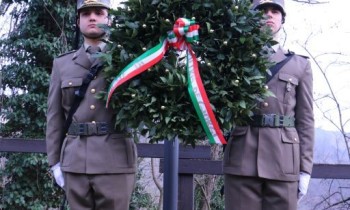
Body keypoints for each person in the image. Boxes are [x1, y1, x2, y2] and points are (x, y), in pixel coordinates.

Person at [46, 0, 137, 209]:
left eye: (98, 12)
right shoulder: (62, 65)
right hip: (75, 162)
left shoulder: (127, 60)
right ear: (78, 21)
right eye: (86, 13)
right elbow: (55, 117)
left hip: (115, 161)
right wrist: (55, 163)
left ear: (109, 20)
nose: (92, 17)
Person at [223, 0, 314, 209]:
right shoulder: (234, 59)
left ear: (282, 19)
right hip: (242, 158)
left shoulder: (299, 65)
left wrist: (305, 169)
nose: (269, 15)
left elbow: (306, 120)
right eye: (263, 11)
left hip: (284, 162)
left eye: (275, 11)